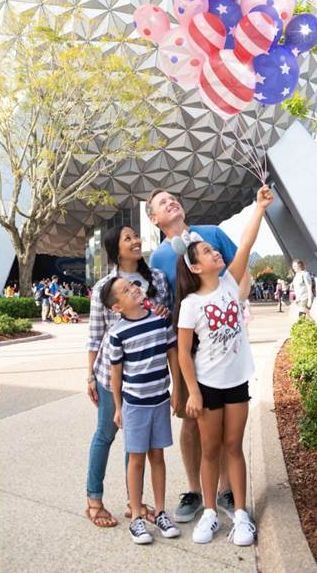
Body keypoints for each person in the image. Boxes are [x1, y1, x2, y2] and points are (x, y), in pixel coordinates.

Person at [174, 185, 274, 546]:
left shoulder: (231, 284)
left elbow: (245, 244)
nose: (215, 251)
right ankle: (211, 513)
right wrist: (194, 394)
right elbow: (184, 353)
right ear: (195, 266)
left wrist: (260, 208)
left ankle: (242, 515)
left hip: (236, 382)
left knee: (234, 446)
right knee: (210, 450)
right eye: (206, 251)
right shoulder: (190, 304)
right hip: (208, 386)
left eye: (213, 248)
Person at [146, 189, 237, 523]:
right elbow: (162, 308)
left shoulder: (212, 234)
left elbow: (240, 271)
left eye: (173, 198)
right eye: (162, 203)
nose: (172, 202)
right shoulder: (157, 258)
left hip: (223, 345)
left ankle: (226, 489)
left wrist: (237, 310)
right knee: (190, 418)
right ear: (154, 219)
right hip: (187, 347)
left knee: (222, 417)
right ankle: (195, 491)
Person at [85, 225, 171, 529]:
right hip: (113, 377)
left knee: (136, 445)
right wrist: (90, 377)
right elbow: (95, 336)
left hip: (149, 379)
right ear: (115, 249)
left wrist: (163, 312)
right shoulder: (105, 287)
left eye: (136, 236)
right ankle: (94, 500)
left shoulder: (157, 279)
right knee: (106, 435)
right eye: (127, 238)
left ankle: (133, 504)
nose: (135, 241)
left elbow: (167, 325)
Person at [102, 276, 182, 544]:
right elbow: (117, 373)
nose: (133, 289)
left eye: (132, 285)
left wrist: (177, 390)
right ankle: (136, 516)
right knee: (136, 459)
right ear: (116, 307)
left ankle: (160, 512)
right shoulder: (117, 333)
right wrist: (118, 407)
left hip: (159, 400)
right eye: (125, 290)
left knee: (157, 456)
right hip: (134, 405)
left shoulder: (159, 321)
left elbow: (172, 354)